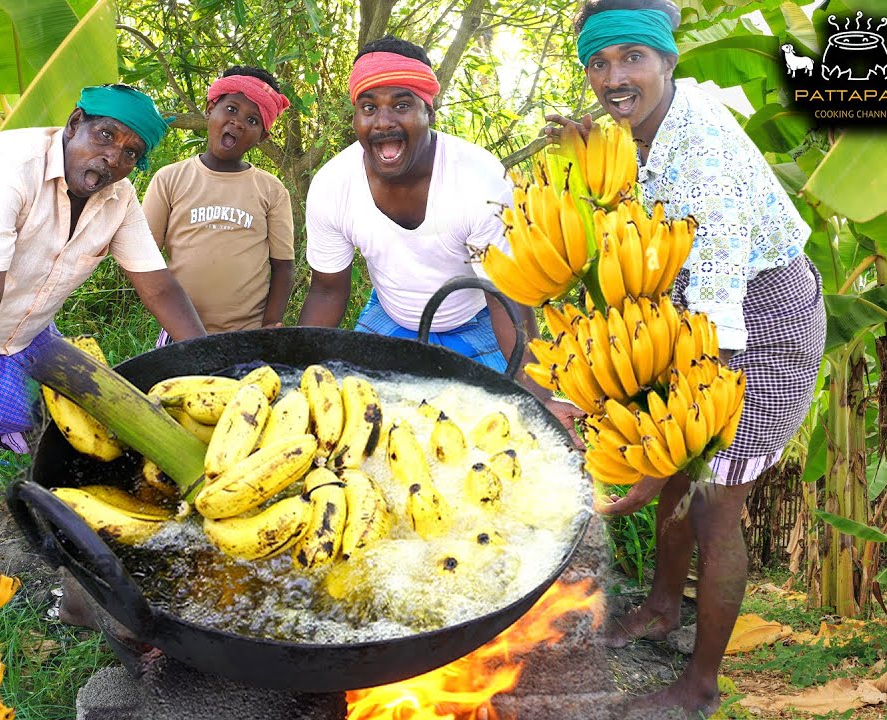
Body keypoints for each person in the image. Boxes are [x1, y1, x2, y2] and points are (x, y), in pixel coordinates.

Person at [545, 1, 825, 716]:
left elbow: (723, 320)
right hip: (694, 315)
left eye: (631, 58)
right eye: (599, 63)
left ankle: (698, 687)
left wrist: (655, 446)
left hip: (758, 329)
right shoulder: (642, 127)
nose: (613, 77)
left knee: (714, 503)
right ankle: (663, 609)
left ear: (668, 60)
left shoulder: (704, 157)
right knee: (678, 475)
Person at [0, 84, 207, 481]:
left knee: (77, 438)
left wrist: (212, 361)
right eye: (105, 135)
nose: (113, 157)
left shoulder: (120, 199)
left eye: (131, 152)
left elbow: (158, 287)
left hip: (22, 330)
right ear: (75, 123)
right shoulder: (9, 167)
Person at [298, 36, 527, 374]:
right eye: (369, 107)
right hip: (392, 314)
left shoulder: (481, 182)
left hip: (476, 318)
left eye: (402, 105)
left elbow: (505, 296)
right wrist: (294, 363)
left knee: (495, 412)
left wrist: (538, 391)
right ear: (356, 118)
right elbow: (328, 291)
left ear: (429, 112)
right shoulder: (333, 186)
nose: (383, 121)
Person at [142, 66, 295, 344]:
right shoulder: (170, 179)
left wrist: (271, 325)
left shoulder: (271, 190)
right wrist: (172, 320)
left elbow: (283, 267)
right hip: (180, 333)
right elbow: (144, 260)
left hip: (247, 335)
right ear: (210, 108)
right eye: (232, 109)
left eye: (252, 120)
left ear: (263, 136)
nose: (238, 123)